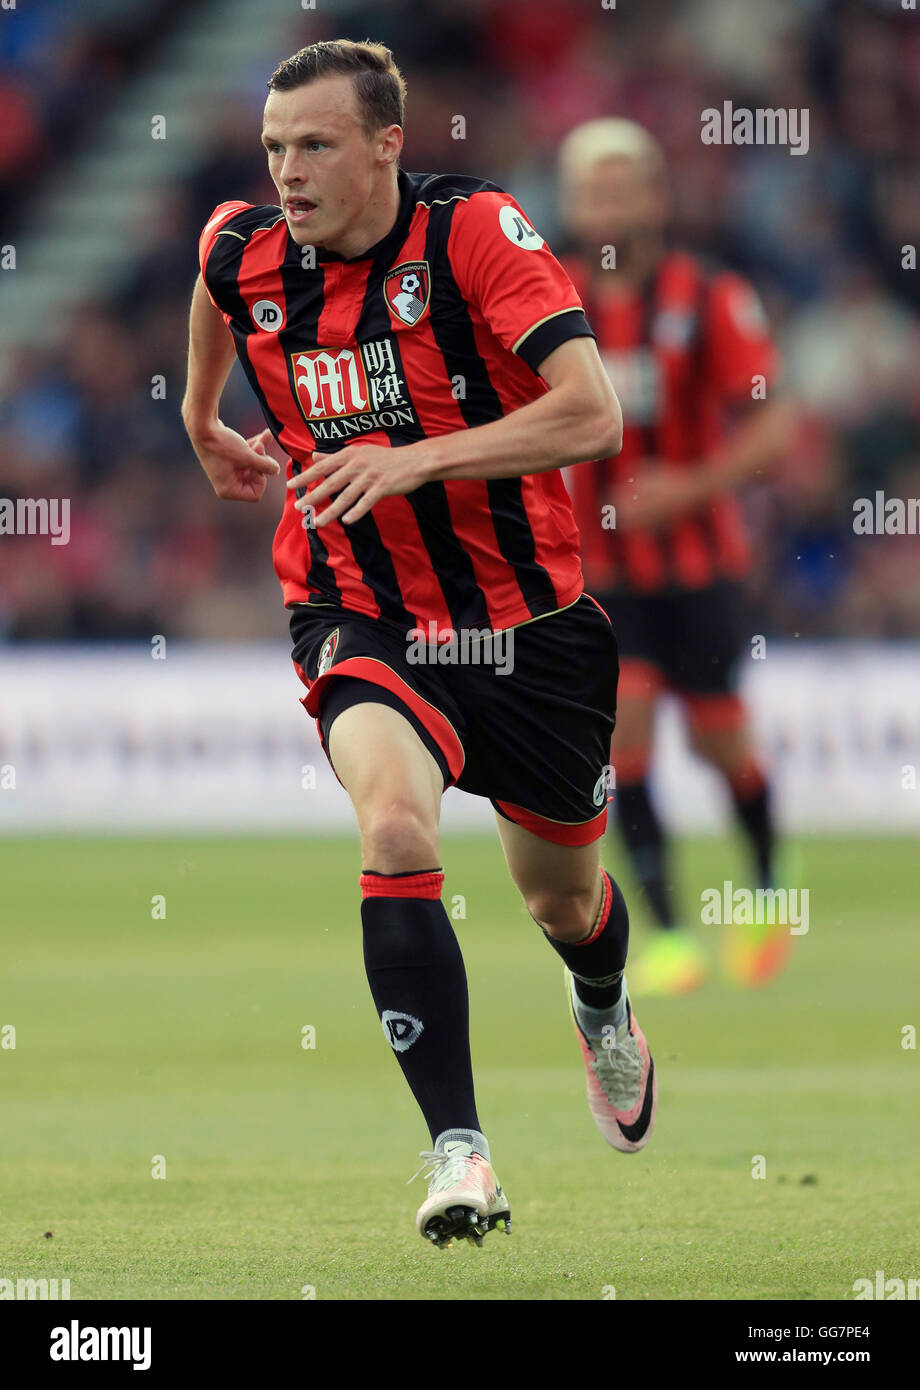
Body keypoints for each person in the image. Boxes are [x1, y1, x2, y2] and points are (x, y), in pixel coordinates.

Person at [181, 41, 656, 1249]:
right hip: (361, 607)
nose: (289, 171)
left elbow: (592, 412)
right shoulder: (246, 249)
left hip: (528, 626)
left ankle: (598, 998)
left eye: (318, 145)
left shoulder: (473, 237)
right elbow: (217, 282)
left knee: (563, 899)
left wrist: (416, 457)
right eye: (276, 147)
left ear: (388, 144)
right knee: (393, 824)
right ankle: (460, 1153)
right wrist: (198, 414)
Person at [558, 118, 794, 996]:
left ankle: (770, 894)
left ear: (656, 197)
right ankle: (667, 935)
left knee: (721, 742)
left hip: (699, 572)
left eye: (621, 187)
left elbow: (772, 418)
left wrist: (688, 488)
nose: (605, 205)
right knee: (628, 742)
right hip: (598, 578)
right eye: (589, 190)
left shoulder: (710, 297)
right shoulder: (547, 299)